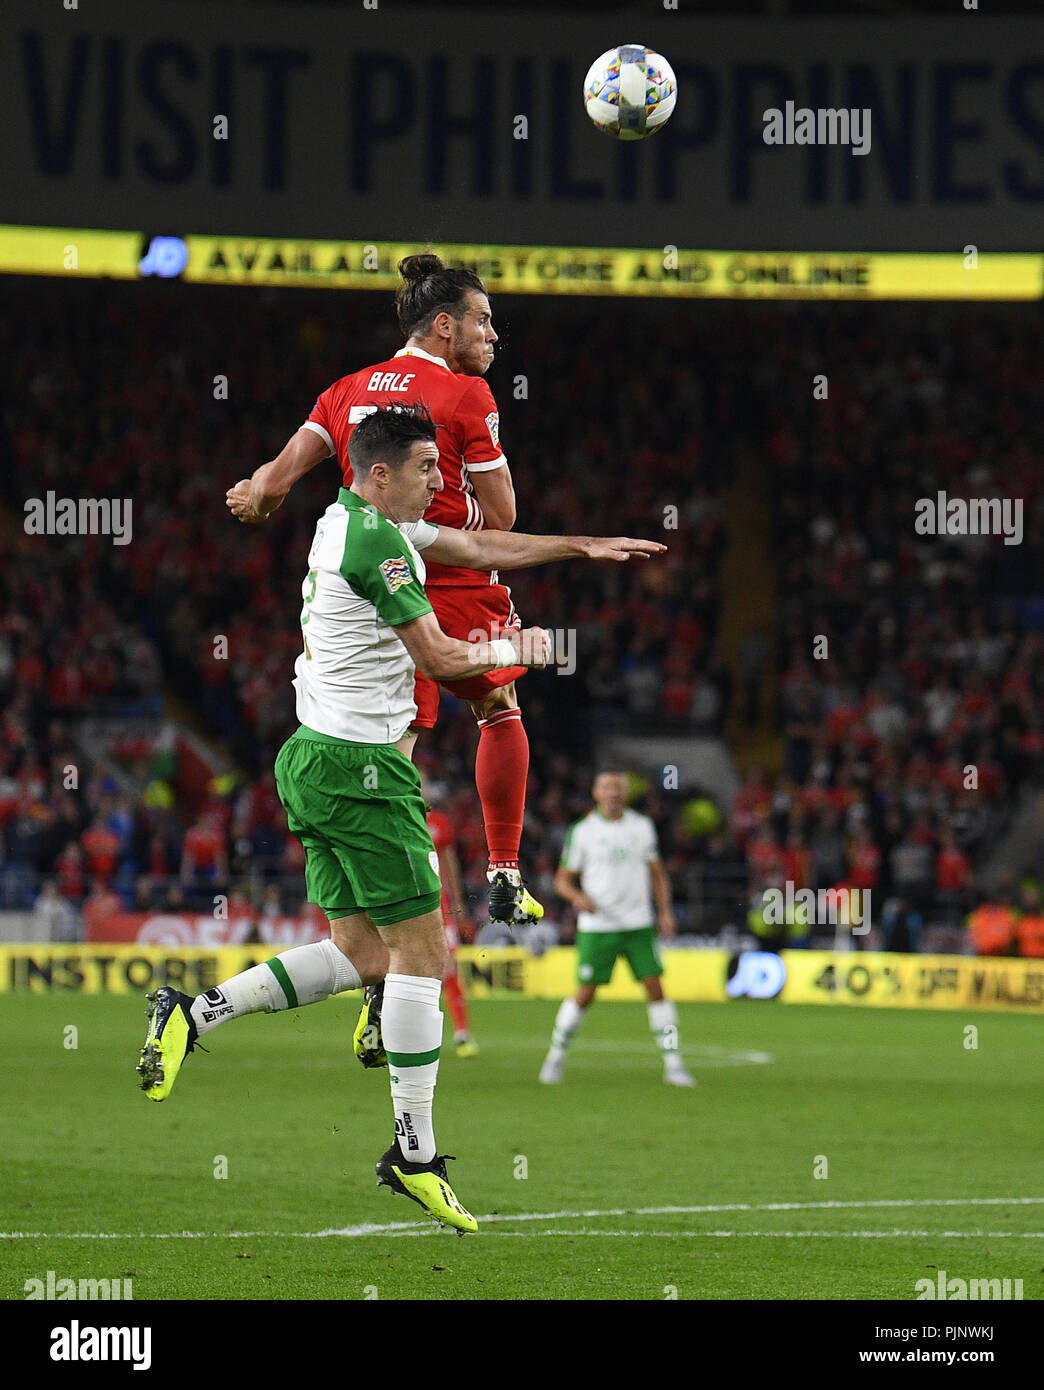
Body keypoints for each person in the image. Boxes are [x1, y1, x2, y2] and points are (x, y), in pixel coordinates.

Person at [138, 406, 665, 1234]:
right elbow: (447, 659)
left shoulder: (348, 520)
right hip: (362, 770)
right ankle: (413, 1153)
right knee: (426, 951)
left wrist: (581, 545)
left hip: (309, 758)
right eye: (427, 468)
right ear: (379, 472)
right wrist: (539, 645)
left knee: (360, 951)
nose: (441, 482)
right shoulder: (377, 543)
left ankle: (190, 1014)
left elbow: (479, 546)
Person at [226, 254, 540, 930]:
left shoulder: (343, 392)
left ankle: (370, 947)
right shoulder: (465, 396)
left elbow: (271, 487)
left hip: (362, 579)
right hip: (448, 578)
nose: (494, 334)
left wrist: (252, 497)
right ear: (445, 327)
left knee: (392, 742)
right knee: (497, 705)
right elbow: (504, 514)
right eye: (484, 321)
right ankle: (506, 870)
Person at [539, 771, 694, 1087]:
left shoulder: (641, 827)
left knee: (655, 988)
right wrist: (578, 896)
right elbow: (562, 881)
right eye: (606, 788)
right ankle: (555, 1057)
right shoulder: (583, 831)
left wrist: (664, 911)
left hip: (638, 923)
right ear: (596, 793)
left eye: (617, 788)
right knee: (585, 993)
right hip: (599, 926)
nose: (612, 793)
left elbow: (658, 874)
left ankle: (673, 1063)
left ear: (625, 794)